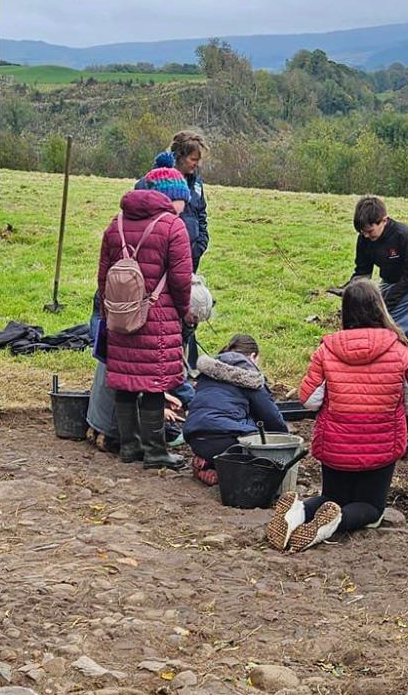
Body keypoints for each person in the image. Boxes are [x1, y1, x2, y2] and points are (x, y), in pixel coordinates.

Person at [267, 279, 408, 552]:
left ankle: (297, 513)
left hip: (336, 444)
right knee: (371, 509)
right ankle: (331, 525)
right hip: (380, 446)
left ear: (346, 310)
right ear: (379, 307)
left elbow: (310, 400)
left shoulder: (327, 349)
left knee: (331, 498)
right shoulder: (399, 351)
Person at [97, 176, 193, 470]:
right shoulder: (173, 226)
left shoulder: (116, 224)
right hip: (157, 315)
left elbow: (103, 275)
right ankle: (155, 452)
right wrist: (183, 311)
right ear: (171, 198)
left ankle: (129, 447)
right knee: (154, 384)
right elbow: (180, 280)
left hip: (121, 315)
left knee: (125, 382)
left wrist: (109, 312)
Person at [135, 132, 210, 369]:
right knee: (165, 310)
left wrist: (201, 242)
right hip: (161, 261)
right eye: (193, 159)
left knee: (188, 310)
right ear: (180, 156)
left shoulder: (196, 182)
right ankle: (161, 362)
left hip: (190, 257)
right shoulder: (152, 181)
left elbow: (201, 213)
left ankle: (184, 362)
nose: (196, 164)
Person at [184, 333, 289, 485]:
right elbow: (270, 416)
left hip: (194, 437)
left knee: (236, 420)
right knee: (258, 437)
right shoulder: (249, 376)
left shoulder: (208, 372)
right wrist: (284, 440)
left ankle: (208, 464)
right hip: (227, 441)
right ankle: (224, 470)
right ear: (253, 356)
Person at [349, 196, 408, 339]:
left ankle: (403, 338)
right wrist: (350, 291)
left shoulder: (406, 236)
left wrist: (388, 302)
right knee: (374, 315)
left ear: (384, 220)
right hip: (391, 275)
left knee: (394, 324)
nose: (366, 235)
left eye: (370, 231)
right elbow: (363, 270)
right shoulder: (364, 238)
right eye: (362, 232)